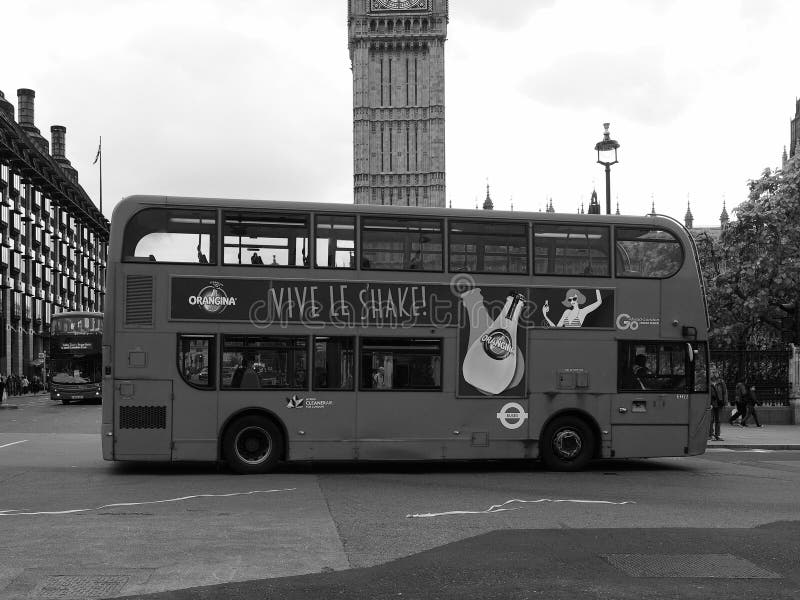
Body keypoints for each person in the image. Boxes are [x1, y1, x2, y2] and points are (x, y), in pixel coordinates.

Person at [709, 372, 727, 441]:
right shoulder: (708, 382)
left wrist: (725, 402)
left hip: (719, 403)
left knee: (718, 420)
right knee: (710, 419)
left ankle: (717, 435)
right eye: (712, 372)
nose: (714, 374)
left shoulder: (721, 382)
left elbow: (725, 393)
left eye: (715, 372)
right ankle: (710, 434)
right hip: (711, 404)